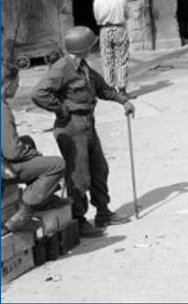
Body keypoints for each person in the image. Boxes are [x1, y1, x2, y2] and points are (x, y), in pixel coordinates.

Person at [32, 26, 136, 237]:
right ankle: (78, 220)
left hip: (88, 124)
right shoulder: (62, 68)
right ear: (82, 48)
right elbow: (38, 93)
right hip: (71, 127)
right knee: (79, 176)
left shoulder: (83, 66)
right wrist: (61, 110)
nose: (92, 48)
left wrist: (122, 100)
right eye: (90, 45)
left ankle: (103, 213)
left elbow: (102, 88)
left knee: (100, 169)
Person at [1, 61, 66, 233]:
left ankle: (45, 198)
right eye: (16, 83)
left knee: (27, 140)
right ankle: (24, 212)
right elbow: (12, 151)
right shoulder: (2, 110)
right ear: (7, 85)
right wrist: (33, 154)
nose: (18, 86)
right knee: (57, 164)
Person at [93, 0, 129, 94]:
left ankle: (109, 88)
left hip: (105, 30)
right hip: (119, 28)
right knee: (121, 58)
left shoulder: (97, 1)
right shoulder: (121, 0)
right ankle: (122, 88)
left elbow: (97, 18)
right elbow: (126, 14)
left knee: (107, 59)